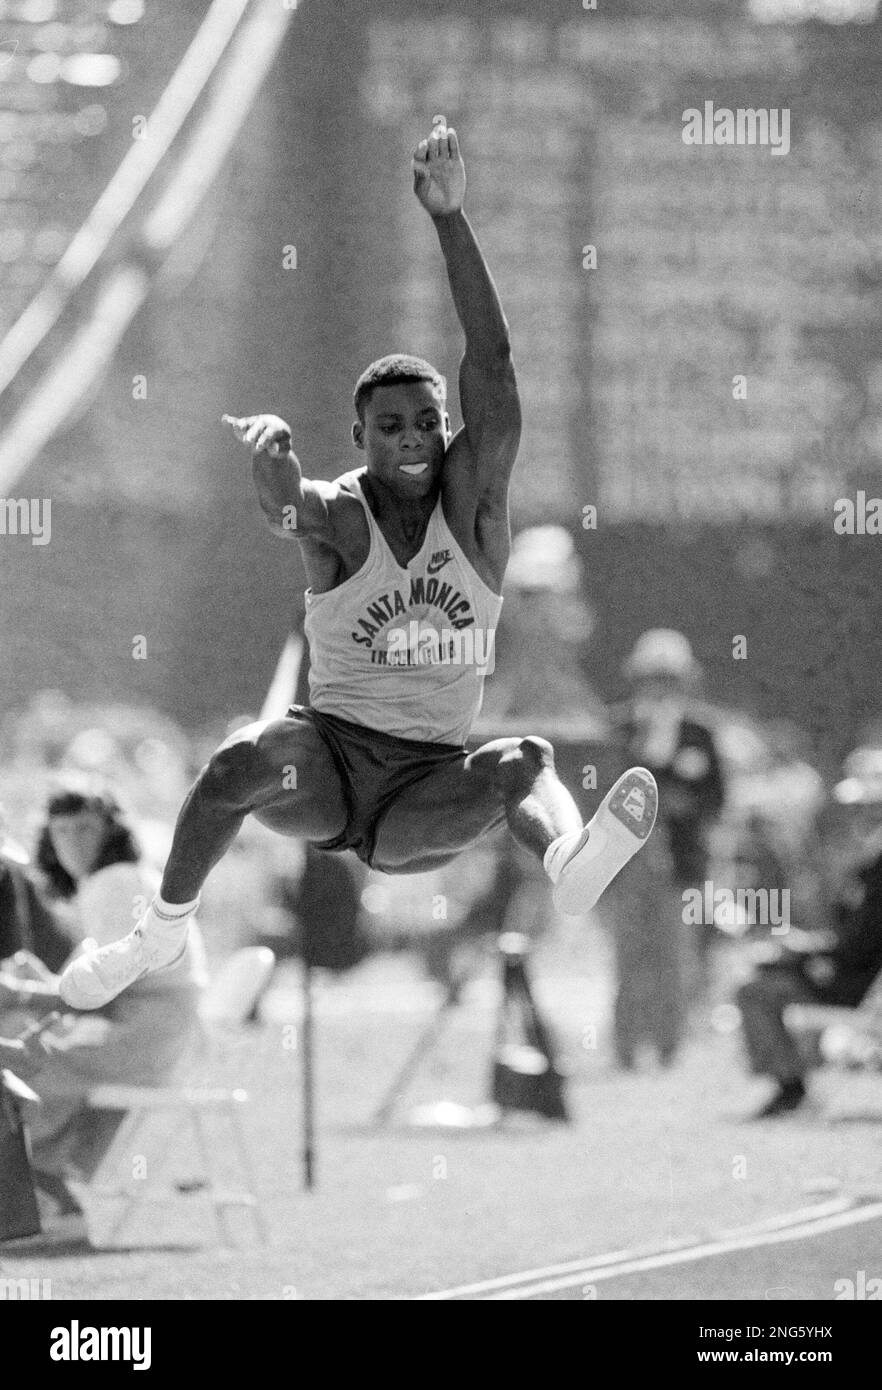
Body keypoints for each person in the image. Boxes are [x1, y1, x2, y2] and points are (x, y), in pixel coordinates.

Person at [59, 116, 657, 1013]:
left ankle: (569, 859)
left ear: (446, 427)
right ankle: (160, 932)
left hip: (426, 791)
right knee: (236, 765)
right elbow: (281, 508)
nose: (413, 440)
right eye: (391, 427)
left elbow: (493, 361)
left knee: (522, 760)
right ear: (360, 438)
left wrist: (450, 218)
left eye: (427, 422)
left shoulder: (479, 513)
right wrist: (270, 456)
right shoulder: (342, 515)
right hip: (330, 768)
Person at [0, 786, 206, 1229]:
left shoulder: (115, 883)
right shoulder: (116, 881)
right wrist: (37, 984)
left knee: (17, 1069)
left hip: (140, 1040)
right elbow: (89, 983)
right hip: (149, 1035)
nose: (73, 841)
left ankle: (50, 1195)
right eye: (62, 830)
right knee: (22, 1050)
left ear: (112, 832)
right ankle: (53, 1195)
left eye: (86, 828)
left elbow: (99, 992)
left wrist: (19, 991)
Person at [736, 746, 882, 1118]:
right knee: (763, 975)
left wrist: (802, 951)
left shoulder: (877, 869)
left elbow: (860, 947)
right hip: (849, 973)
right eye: (859, 809)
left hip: (855, 983)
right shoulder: (867, 864)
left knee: (756, 991)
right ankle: (790, 1086)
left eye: (868, 808)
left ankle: (790, 1089)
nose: (860, 817)